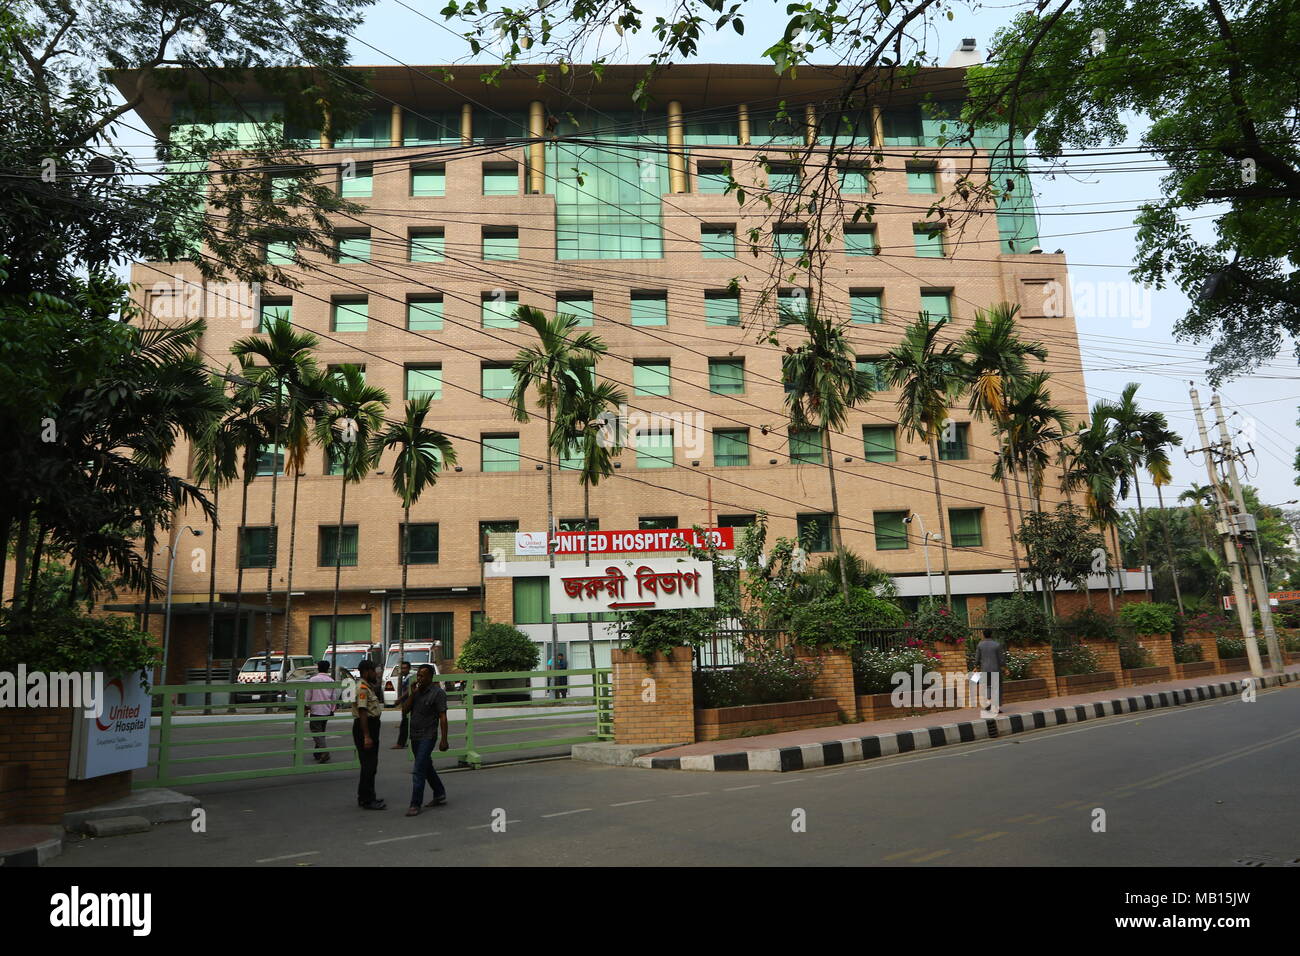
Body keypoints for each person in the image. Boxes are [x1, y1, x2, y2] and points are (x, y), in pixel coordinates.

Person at [402, 664, 449, 816]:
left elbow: (443, 717)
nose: (420, 678)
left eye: (423, 676)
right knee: (426, 766)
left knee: (419, 769)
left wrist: (444, 739)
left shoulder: (438, 693)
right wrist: (413, 693)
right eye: (418, 675)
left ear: (431, 677)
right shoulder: (416, 693)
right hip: (415, 735)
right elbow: (405, 710)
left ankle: (415, 803)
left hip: (428, 735)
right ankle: (439, 793)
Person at [351, 658, 386, 810]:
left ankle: (366, 796)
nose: (376, 674)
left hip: (371, 726)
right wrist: (366, 736)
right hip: (365, 727)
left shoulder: (367, 687)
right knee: (369, 765)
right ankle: (367, 799)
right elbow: (363, 712)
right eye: (373, 671)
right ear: (366, 671)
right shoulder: (362, 689)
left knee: (371, 764)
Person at [305, 660, 336, 763]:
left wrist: (306, 707)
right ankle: (318, 752)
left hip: (316, 710)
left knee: (315, 731)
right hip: (326, 710)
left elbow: (308, 695)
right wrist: (332, 709)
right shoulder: (331, 681)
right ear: (328, 669)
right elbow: (334, 697)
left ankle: (324, 752)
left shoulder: (313, 680)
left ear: (318, 668)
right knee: (321, 731)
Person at [973, 628, 1005, 715]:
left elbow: (977, 657)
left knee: (988, 687)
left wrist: (976, 666)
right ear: (991, 634)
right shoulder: (997, 645)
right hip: (996, 669)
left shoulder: (980, 645)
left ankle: (989, 705)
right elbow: (1001, 659)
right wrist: (1005, 667)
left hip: (985, 670)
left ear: (983, 635)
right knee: (996, 688)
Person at [391, 660, 412, 749]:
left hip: (408, 704)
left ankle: (400, 743)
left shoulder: (410, 678)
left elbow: (408, 691)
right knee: (407, 723)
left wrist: (400, 699)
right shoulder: (406, 678)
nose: (403, 670)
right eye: (402, 668)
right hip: (406, 704)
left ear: (409, 669)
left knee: (404, 724)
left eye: (405, 668)